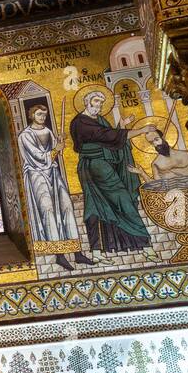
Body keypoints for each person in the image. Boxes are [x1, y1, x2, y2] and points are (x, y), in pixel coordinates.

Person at [70, 90, 156, 258]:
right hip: (95, 166)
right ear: (86, 102)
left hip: (103, 165)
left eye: (101, 103)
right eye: (96, 101)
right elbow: (108, 136)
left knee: (98, 206)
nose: (99, 106)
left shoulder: (99, 120)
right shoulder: (81, 122)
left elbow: (112, 139)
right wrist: (141, 130)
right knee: (117, 199)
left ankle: (98, 251)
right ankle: (144, 244)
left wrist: (121, 127)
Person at [18, 106, 91, 271]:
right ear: (31, 115)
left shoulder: (48, 131)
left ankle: (77, 253)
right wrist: (54, 151)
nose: (42, 117)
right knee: (48, 210)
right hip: (37, 176)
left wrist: (58, 144)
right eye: (38, 114)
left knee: (66, 207)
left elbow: (53, 154)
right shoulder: (25, 135)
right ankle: (60, 256)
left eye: (44, 114)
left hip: (53, 173)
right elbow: (37, 157)